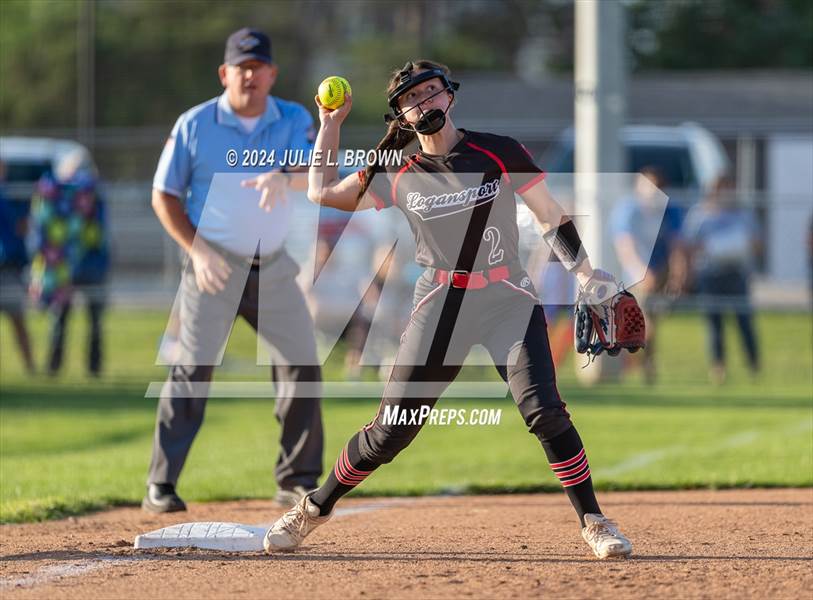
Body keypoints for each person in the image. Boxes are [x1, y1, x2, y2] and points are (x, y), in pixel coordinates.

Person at [262, 60, 636, 559]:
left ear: (450, 97)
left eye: (432, 92)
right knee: (390, 432)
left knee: (544, 411)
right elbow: (319, 191)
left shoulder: (497, 151)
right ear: (403, 117)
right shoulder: (398, 172)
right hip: (441, 304)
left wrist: (584, 272)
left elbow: (550, 215)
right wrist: (331, 124)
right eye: (412, 100)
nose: (425, 103)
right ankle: (313, 508)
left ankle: (594, 521)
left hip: (508, 298)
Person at [144, 28, 323, 512]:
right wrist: (197, 251)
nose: (250, 75)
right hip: (214, 264)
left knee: (302, 364)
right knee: (191, 370)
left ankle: (298, 479)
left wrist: (284, 175)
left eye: (258, 66)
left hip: (274, 266)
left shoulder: (293, 118)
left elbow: (318, 173)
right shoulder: (195, 124)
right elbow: (164, 195)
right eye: (240, 67)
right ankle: (161, 485)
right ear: (225, 73)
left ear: (271, 74)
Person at [28, 149, 108, 376]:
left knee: (88, 318)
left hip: (83, 263)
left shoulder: (58, 190)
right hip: (69, 264)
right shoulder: (87, 192)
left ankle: (88, 366)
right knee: (64, 316)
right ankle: (62, 365)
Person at [611, 166, 686, 383]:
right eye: (649, 186)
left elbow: (676, 244)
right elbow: (625, 246)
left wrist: (677, 274)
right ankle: (634, 366)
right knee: (641, 323)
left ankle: (644, 366)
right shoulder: (628, 209)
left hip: (660, 271)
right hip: (636, 274)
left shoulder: (669, 210)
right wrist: (641, 272)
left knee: (649, 323)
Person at [683, 175, 760, 384]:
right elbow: (688, 246)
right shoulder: (700, 214)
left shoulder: (743, 214)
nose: (727, 193)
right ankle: (718, 369)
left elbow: (757, 244)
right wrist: (714, 248)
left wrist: (738, 246)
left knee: (744, 321)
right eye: (723, 188)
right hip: (710, 275)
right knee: (714, 324)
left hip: (736, 273)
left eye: (731, 188)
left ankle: (754, 366)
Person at [0, 160, 35, 373]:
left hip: (9, 268)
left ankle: (30, 367)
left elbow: (22, 226)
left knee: (18, 320)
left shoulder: (11, 194)